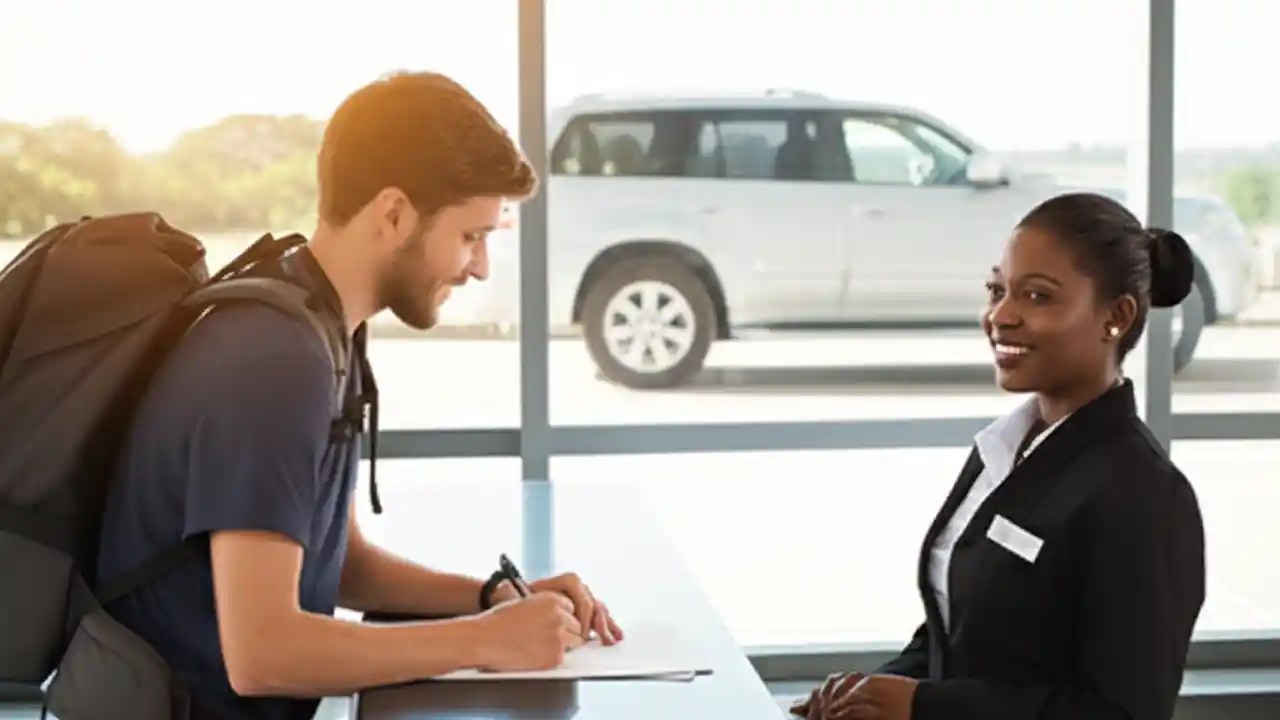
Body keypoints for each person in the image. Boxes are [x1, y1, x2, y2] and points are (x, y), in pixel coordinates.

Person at [96, 71, 623, 720]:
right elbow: (263, 653)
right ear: (394, 213)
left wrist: (496, 598)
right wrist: (484, 641)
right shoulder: (272, 361)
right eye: (470, 235)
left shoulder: (317, 324)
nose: (480, 266)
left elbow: (340, 565)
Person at [792, 192, 1206, 720]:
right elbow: (957, 631)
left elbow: (1121, 713)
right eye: (997, 290)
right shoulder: (1001, 451)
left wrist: (923, 707)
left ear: (1117, 317)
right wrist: (862, 695)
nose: (1000, 315)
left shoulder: (1142, 495)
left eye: (1037, 296)